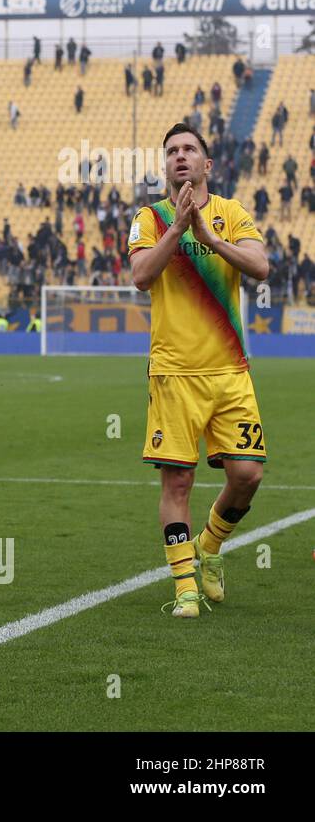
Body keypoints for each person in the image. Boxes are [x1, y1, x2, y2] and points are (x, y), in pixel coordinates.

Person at [129, 123, 269, 619]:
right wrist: (179, 230)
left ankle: (209, 544)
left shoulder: (232, 213)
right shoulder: (149, 217)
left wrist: (209, 235)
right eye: (172, 152)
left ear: (207, 165)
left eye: (190, 150)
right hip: (174, 373)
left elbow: (260, 266)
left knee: (248, 474)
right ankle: (185, 586)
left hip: (230, 371)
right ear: (165, 166)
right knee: (178, 484)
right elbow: (142, 276)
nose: (180, 157)